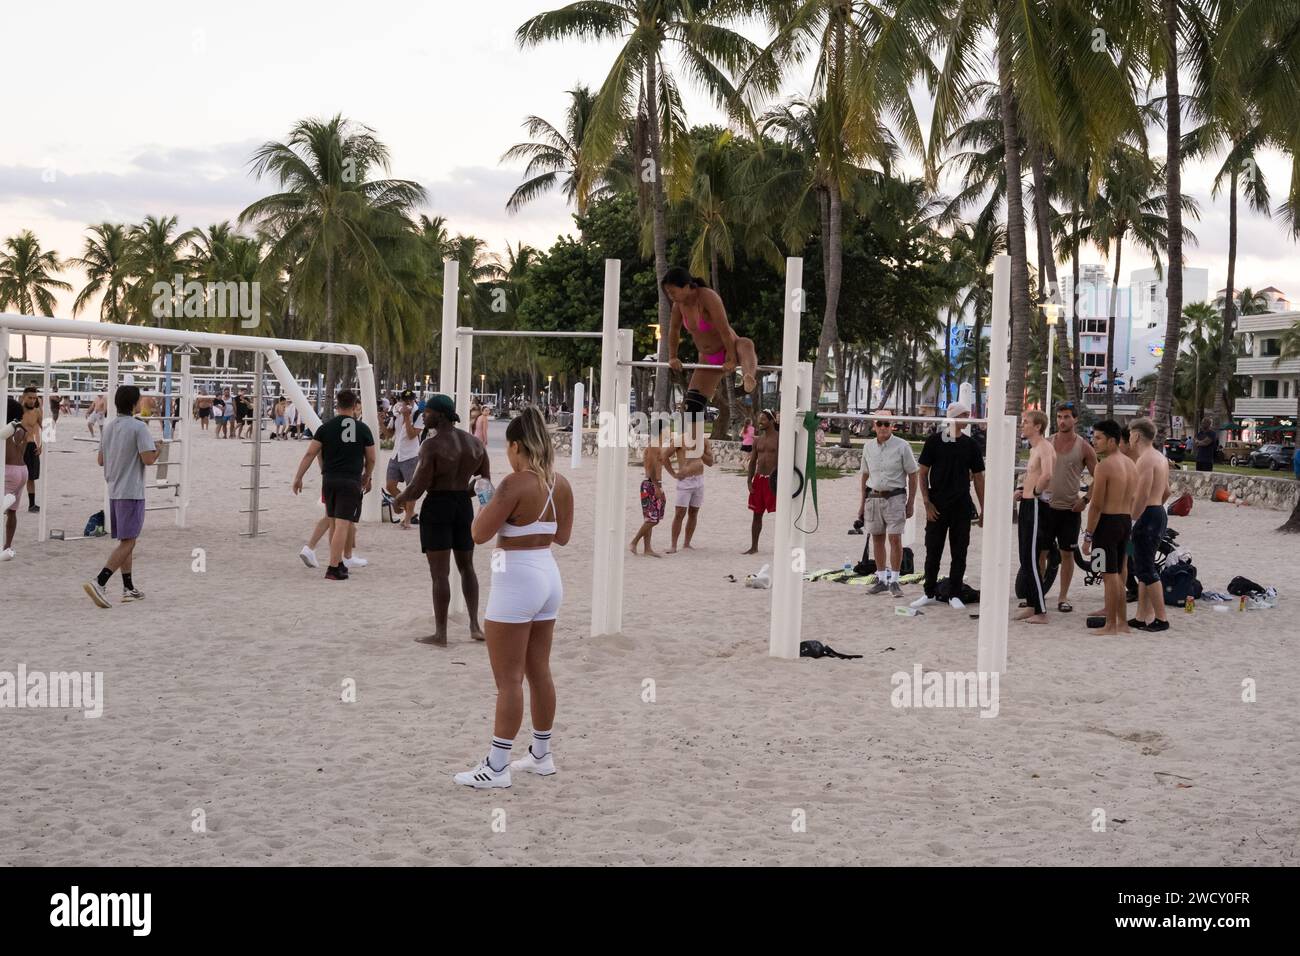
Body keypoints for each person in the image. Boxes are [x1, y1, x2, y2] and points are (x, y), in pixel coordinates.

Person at [452, 406, 574, 789]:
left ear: (517, 446)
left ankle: (498, 764)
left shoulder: (514, 483)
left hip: (516, 577)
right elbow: (563, 537)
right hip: (548, 573)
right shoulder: (562, 484)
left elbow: (478, 533)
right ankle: (541, 754)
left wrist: (486, 500)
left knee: (508, 679)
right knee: (539, 670)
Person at [393, 394, 489, 645]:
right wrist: (468, 492)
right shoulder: (475, 444)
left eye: (428, 413)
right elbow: (484, 483)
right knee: (467, 567)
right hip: (462, 507)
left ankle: (441, 633)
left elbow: (417, 487)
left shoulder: (432, 445)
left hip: (438, 506)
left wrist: (398, 499)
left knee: (439, 574)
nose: (424, 416)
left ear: (441, 415)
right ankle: (475, 626)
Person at [662, 267, 761, 450]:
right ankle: (694, 449)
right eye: (668, 292)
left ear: (686, 286)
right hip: (707, 357)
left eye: (672, 291)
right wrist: (673, 357)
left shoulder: (707, 297)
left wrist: (731, 358)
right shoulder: (678, 306)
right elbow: (674, 331)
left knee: (746, 343)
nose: (670, 296)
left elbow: (724, 329)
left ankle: (749, 376)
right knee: (692, 404)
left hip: (730, 346)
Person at [82, 385, 160, 606]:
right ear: (135, 403)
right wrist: (159, 450)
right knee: (129, 541)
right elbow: (148, 459)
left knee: (127, 539)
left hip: (114, 489)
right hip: (131, 490)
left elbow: (100, 460)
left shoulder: (108, 427)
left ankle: (128, 587)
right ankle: (100, 581)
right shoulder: (139, 427)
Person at [291, 390, 376, 581]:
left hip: (329, 479)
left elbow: (310, 454)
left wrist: (298, 477)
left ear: (337, 406)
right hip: (350, 480)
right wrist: (367, 476)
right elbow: (371, 457)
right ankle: (333, 567)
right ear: (355, 406)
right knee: (343, 524)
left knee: (332, 520)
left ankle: (337, 562)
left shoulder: (325, 428)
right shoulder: (362, 429)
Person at [912, 402, 985, 609]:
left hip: (961, 505)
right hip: (937, 505)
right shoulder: (934, 441)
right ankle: (929, 592)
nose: (968, 418)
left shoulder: (971, 445)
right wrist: (926, 502)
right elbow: (923, 472)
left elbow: (979, 478)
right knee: (933, 550)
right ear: (953, 417)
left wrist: (983, 509)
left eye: (968, 414)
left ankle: (955, 593)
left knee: (959, 550)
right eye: (964, 414)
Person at [1083, 420, 1138, 635]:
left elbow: (1095, 505)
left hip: (1107, 522)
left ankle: (1111, 624)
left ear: (1112, 441)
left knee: (1109, 574)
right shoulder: (1130, 464)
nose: (1094, 442)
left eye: (1098, 438)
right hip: (1125, 521)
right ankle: (1122, 622)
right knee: (1120, 572)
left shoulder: (1104, 466)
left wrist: (1088, 536)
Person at [858, 412, 919, 598]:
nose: (883, 427)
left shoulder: (902, 446)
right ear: (874, 426)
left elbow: (913, 474)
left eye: (887, 424)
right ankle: (882, 579)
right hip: (873, 498)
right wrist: (861, 504)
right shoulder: (868, 447)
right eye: (880, 424)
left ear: (892, 425)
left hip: (895, 497)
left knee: (894, 539)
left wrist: (910, 503)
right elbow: (865, 475)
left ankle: (895, 580)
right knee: (877, 538)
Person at [1045, 402, 1098, 612]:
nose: (1062, 421)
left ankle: (1063, 597)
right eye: (1059, 417)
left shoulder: (1084, 447)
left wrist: (1085, 500)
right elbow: (1035, 472)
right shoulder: (1047, 443)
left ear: (1075, 419)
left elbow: (1100, 478)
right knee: (1041, 553)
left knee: (1067, 553)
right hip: (1046, 508)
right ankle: (1037, 595)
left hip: (1069, 510)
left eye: (1066, 417)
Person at [1128, 417, 1171, 632]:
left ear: (1136, 436)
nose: (1129, 438)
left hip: (1147, 515)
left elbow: (1142, 494)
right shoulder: (1161, 458)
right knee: (1143, 567)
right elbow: (1167, 491)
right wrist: (1157, 508)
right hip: (1158, 513)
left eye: (1130, 434)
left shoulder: (1145, 459)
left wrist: (1132, 520)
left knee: (1146, 568)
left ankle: (1161, 618)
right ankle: (1141, 615)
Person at [1014, 410, 1056, 623]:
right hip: (1028, 504)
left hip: (1037, 506)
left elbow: (1047, 474)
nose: (1023, 425)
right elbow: (1034, 475)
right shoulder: (1034, 449)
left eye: (1026, 422)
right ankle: (1031, 604)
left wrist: (1036, 493)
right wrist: (1023, 490)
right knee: (1025, 557)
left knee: (1032, 558)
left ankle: (1041, 610)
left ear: (1038, 426)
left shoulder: (1045, 447)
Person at [668, 434, 714, 553]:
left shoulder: (703, 440)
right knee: (679, 513)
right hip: (685, 481)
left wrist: (700, 452)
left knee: (693, 513)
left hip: (699, 480)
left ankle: (687, 543)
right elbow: (664, 456)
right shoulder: (679, 439)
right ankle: (673, 545)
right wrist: (673, 473)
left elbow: (710, 462)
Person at [629, 422, 669, 557]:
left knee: (649, 518)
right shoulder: (654, 447)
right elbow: (651, 467)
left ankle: (647, 548)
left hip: (651, 484)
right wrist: (657, 486)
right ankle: (634, 542)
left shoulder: (655, 446)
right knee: (653, 519)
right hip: (651, 484)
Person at [384, 390, 422, 529]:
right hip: (396, 454)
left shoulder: (419, 414)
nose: (406, 403)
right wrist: (380, 420)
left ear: (413, 400)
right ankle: (410, 513)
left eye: (409, 401)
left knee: (410, 488)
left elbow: (412, 435)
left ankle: (407, 519)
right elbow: (388, 435)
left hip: (411, 455)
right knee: (390, 485)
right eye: (404, 400)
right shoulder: (397, 413)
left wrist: (407, 417)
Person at [744, 409, 779, 555]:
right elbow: (753, 462)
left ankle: (784, 546)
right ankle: (754, 546)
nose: (760, 422)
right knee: (756, 514)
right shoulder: (758, 440)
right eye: (759, 419)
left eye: (763, 419)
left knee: (782, 514)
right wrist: (749, 480)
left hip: (774, 480)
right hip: (759, 479)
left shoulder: (780, 438)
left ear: (771, 421)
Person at [3, 398, 31, 560]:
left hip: (9, 471)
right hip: (22, 469)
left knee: (3, 509)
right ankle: (8, 545)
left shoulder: (6, 430)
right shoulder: (22, 429)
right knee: (12, 511)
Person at [17, 387, 43, 514]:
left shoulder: (37, 412)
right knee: (15, 476)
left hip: (32, 446)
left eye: (34, 398)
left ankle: (32, 505)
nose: (32, 400)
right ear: (23, 397)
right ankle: (7, 505)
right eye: (30, 398)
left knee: (31, 477)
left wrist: (41, 444)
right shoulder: (16, 410)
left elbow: (44, 427)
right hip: (17, 447)